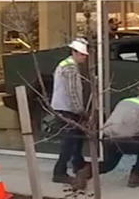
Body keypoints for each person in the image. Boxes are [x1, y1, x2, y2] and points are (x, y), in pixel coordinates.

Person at [76, 83, 139, 188]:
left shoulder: (124, 101)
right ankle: (135, 176)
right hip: (125, 140)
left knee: (109, 164)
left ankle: (84, 172)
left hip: (107, 137)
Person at [50, 37, 90, 185]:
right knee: (70, 141)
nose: (84, 57)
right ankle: (59, 172)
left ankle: (79, 165)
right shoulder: (70, 68)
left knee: (77, 138)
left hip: (64, 108)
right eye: (82, 54)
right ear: (74, 52)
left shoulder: (66, 64)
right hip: (68, 109)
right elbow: (72, 92)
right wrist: (80, 110)